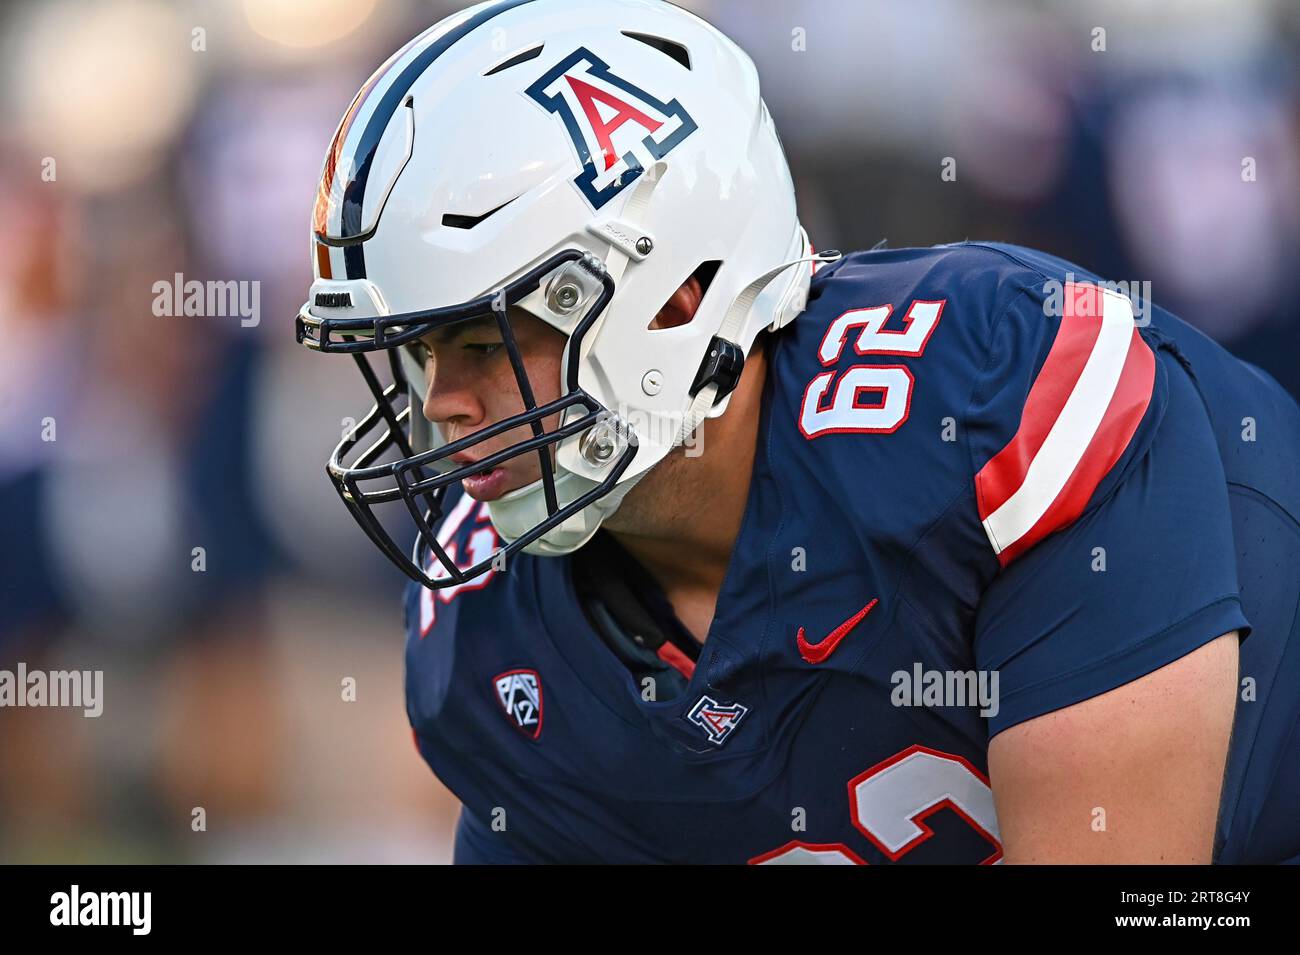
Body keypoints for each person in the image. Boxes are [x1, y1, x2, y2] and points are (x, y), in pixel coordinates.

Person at [295, 0, 1300, 863]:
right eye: (417, 355)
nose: (442, 405)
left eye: (480, 342)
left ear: (676, 298)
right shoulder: (487, 633)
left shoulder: (989, 394)